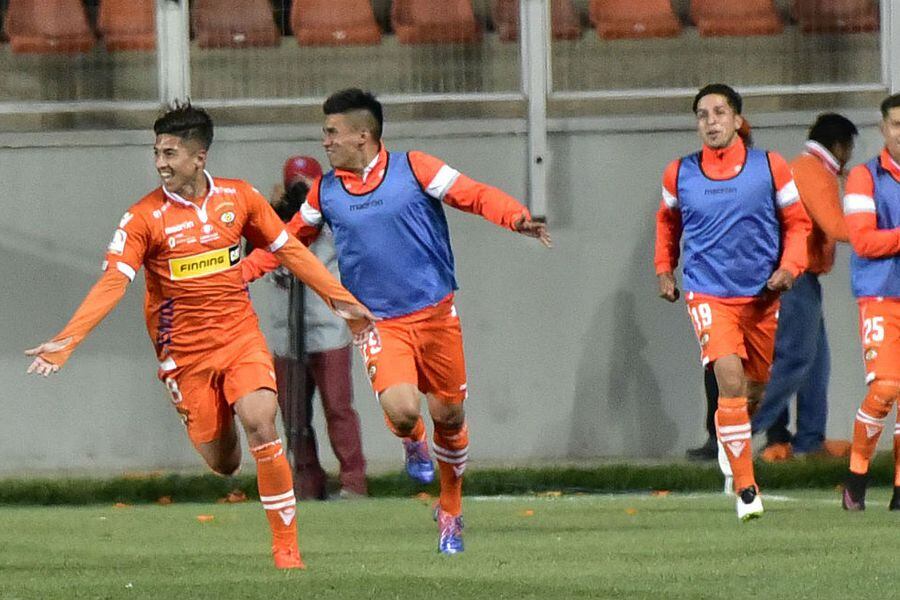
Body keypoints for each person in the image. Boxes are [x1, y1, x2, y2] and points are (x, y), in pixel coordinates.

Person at [24, 103, 376, 570]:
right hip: (184, 356)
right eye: (156, 153)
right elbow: (113, 282)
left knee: (261, 421)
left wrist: (341, 301)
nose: (161, 163)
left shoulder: (240, 198)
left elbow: (289, 250)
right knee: (224, 461)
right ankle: (222, 435)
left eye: (169, 152)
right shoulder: (144, 219)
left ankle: (287, 549)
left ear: (199, 157)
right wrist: (67, 340)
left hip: (239, 337)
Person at [242, 88, 551, 553]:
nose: (325, 142)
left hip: (437, 316)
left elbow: (472, 194)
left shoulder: (415, 167)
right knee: (405, 411)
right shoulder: (327, 191)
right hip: (377, 323)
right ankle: (412, 439)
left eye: (332, 132)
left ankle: (450, 510)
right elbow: (287, 242)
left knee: (450, 414)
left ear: (362, 135)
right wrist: (239, 274)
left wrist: (516, 217)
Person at [655, 84, 811, 520]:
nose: (711, 122)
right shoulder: (679, 173)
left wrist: (790, 267)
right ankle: (746, 491)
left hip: (761, 296)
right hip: (708, 292)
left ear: (738, 119)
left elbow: (798, 224)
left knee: (754, 388)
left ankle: (733, 440)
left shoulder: (771, 166)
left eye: (720, 112)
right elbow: (667, 223)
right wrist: (664, 268)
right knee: (728, 375)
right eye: (703, 115)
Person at [252, 155, 368, 500]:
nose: (301, 192)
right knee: (293, 415)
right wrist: (274, 209)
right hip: (286, 334)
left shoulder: (332, 216)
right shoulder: (270, 218)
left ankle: (353, 484)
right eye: (295, 185)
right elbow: (252, 246)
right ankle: (306, 484)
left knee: (338, 409)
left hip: (328, 330)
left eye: (308, 185)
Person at [752, 113, 858, 461]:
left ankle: (809, 439)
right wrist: (879, 232)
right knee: (795, 360)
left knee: (816, 363)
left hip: (798, 277)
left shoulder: (806, 168)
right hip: (794, 277)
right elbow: (837, 226)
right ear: (840, 146)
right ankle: (742, 433)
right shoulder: (813, 171)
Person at [840, 94, 900, 511]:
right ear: (883, 128)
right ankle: (857, 477)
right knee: (886, 387)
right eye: (896, 124)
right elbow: (863, 240)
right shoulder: (864, 176)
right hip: (880, 294)